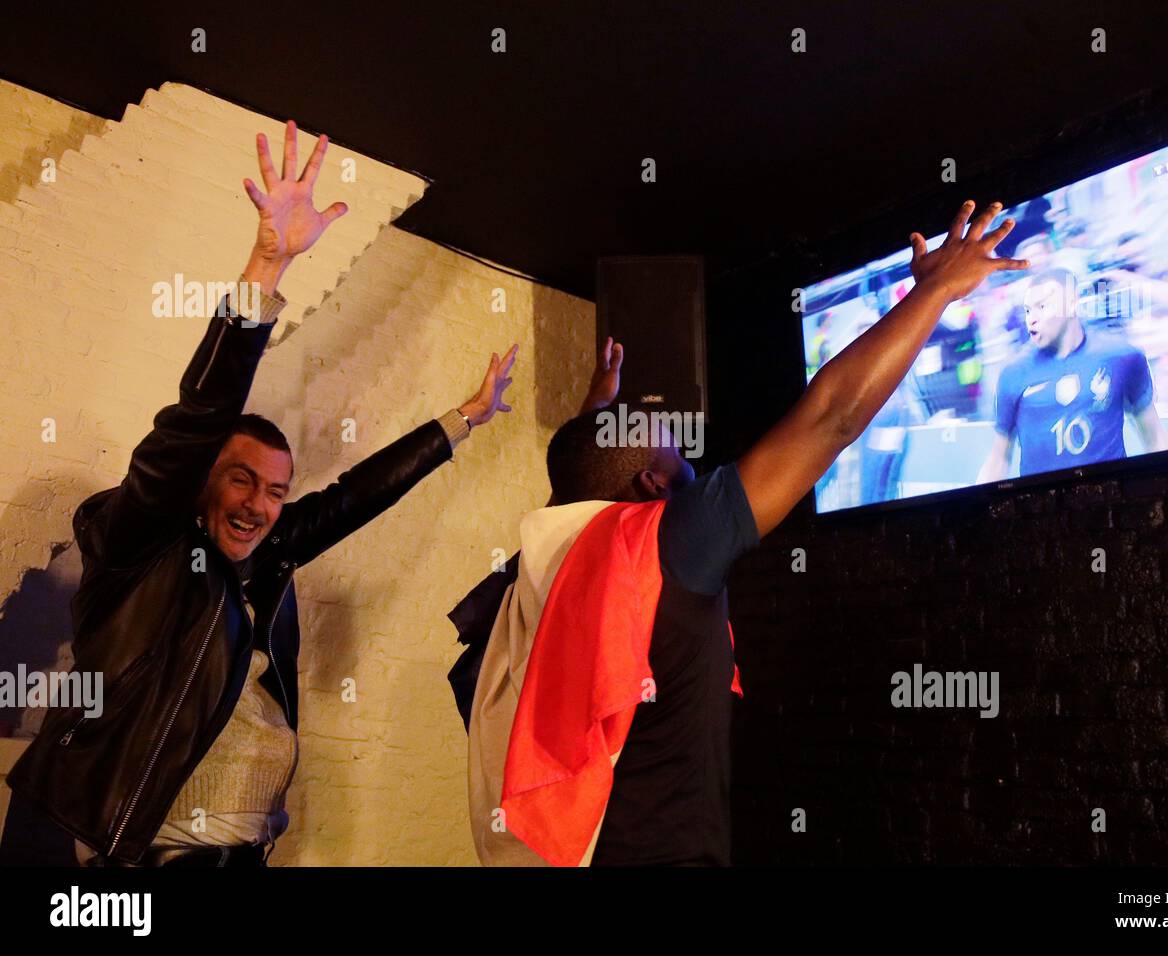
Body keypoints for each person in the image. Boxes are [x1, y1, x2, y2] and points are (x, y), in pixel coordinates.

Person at [4, 121, 516, 867]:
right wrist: (266, 266)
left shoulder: (264, 556)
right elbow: (194, 422)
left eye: (275, 490)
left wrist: (463, 419)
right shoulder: (138, 545)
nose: (257, 504)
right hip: (104, 855)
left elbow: (354, 497)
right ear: (199, 482)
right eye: (240, 479)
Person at [456, 200, 1028, 866]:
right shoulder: (665, 543)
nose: (690, 460)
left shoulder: (535, 572)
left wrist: (598, 417)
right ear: (652, 490)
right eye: (677, 451)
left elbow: (574, 493)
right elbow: (831, 419)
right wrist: (935, 289)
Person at [977, 266, 1168, 484]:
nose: (1031, 319)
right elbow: (999, 457)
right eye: (1028, 310)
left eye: (1042, 306)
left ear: (1072, 304)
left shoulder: (1122, 356)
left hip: (1111, 501)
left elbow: (1154, 438)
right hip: (1043, 509)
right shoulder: (1012, 374)